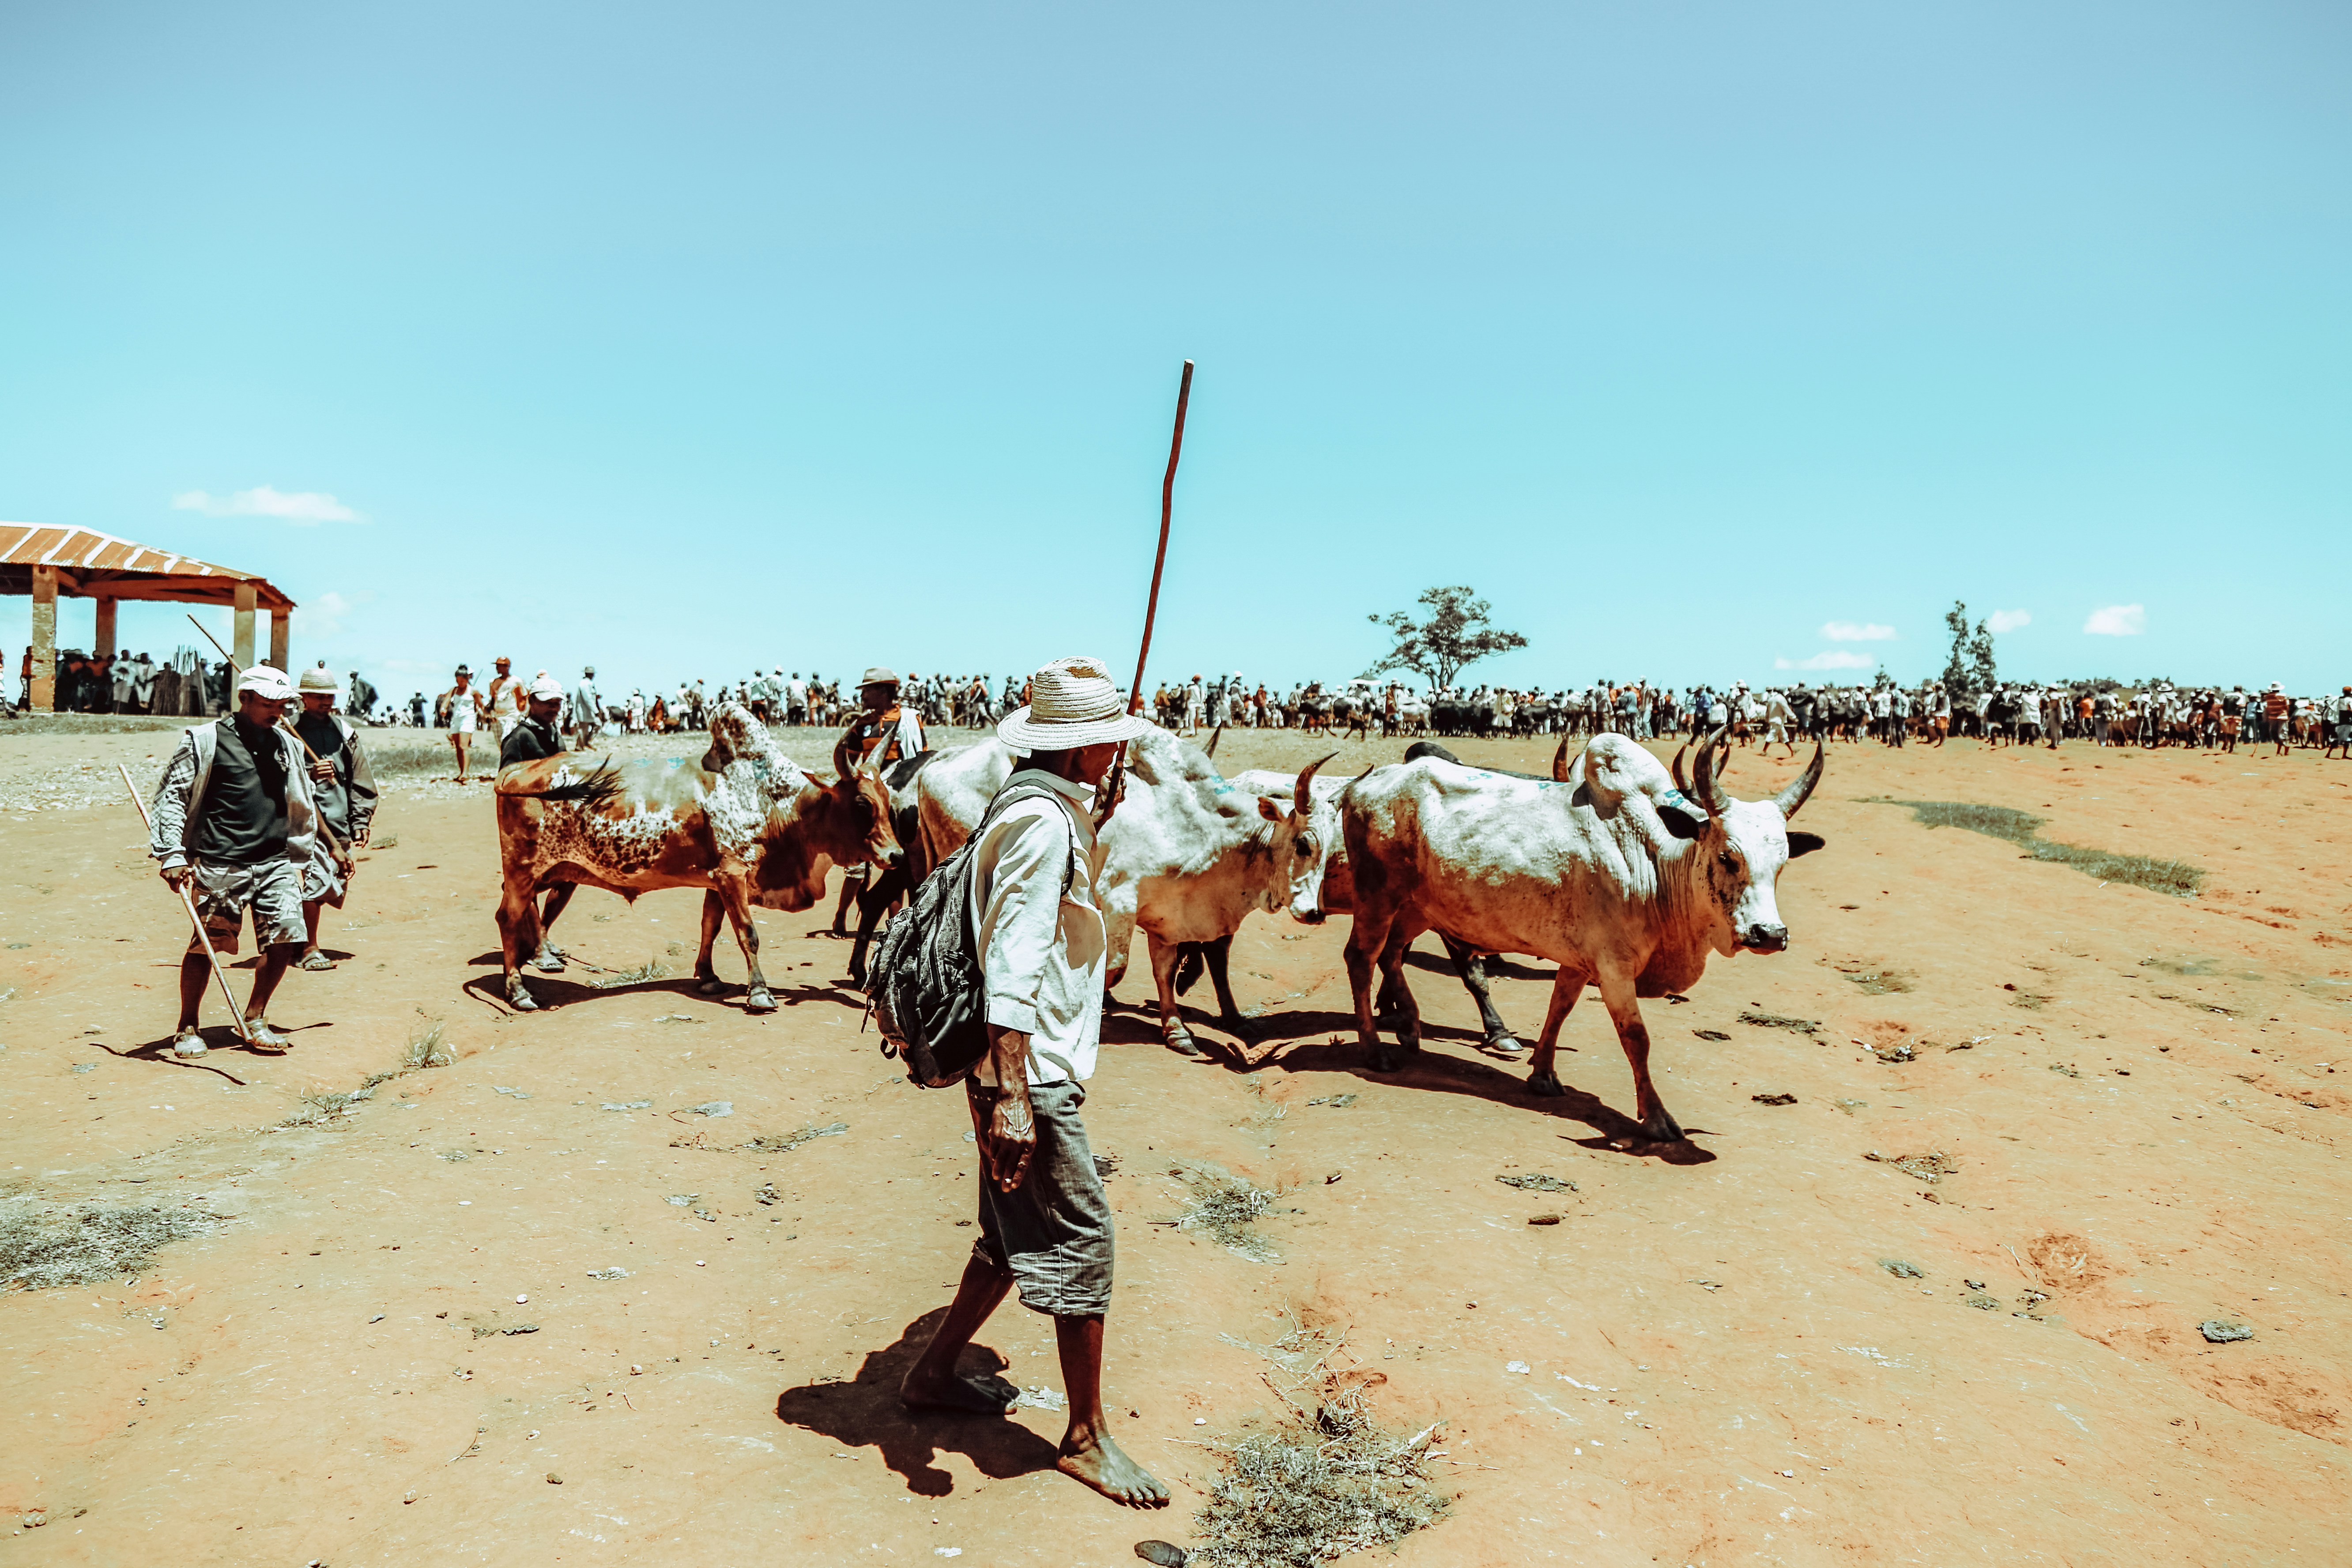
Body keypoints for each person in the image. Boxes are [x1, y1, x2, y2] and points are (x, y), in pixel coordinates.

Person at [898, 656, 1166, 1508]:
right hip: (1028, 1067)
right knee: (1081, 1234)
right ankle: (1085, 1437)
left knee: (1009, 1230)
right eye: (1105, 741)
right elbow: (1012, 962)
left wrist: (1091, 812)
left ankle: (934, 1370)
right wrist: (1013, 1094)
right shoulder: (1043, 824)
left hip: (1021, 1062)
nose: (1112, 751)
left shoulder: (1033, 804)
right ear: (1081, 745)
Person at [147, 665, 317, 1056]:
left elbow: (299, 800)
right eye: (268, 704)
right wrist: (171, 853)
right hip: (222, 861)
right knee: (208, 943)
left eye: (282, 705)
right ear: (243, 699)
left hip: (276, 860)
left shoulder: (285, 743)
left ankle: (255, 1018)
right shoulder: (205, 740)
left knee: (286, 940)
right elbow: (172, 796)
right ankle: (188, 1025)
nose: (277, 712)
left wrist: (300, 857)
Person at [292, 663, 378, 972]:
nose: (326, 702)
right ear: (303, 697)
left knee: (333, 881)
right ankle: (309, 949)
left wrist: (361, 820)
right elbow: (278, 779)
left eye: (329, 696)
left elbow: (361, 779)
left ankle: (297, 943)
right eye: (318, 697)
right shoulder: (288, 733)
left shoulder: (345, 732)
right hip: (305, 822)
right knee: (317, 881)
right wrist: (309, 774)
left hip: (339, 820)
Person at [830, 666, 929, 933]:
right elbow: (850, 765)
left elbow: (922, 755)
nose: (863, 696)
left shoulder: (909, 719)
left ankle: (895, 926)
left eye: (868, 691)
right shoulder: (861, 725)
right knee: (857, 862)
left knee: (899, 863)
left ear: (885, 691)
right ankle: (842, 916)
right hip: (871, 798)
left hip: (902, 797)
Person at [444, 665, 487, 782]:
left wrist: (487, 716)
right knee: (458, 747)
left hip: (468, 719)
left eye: (462, 680)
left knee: (464, 746)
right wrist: (443, 709)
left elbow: (481, 705)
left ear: (467, 679)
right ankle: (461, 771)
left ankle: (466, 773)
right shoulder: (454, 690)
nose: (460, 683)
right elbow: (446, 701)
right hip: (456, 719)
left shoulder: (473, 691)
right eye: (458, 681)